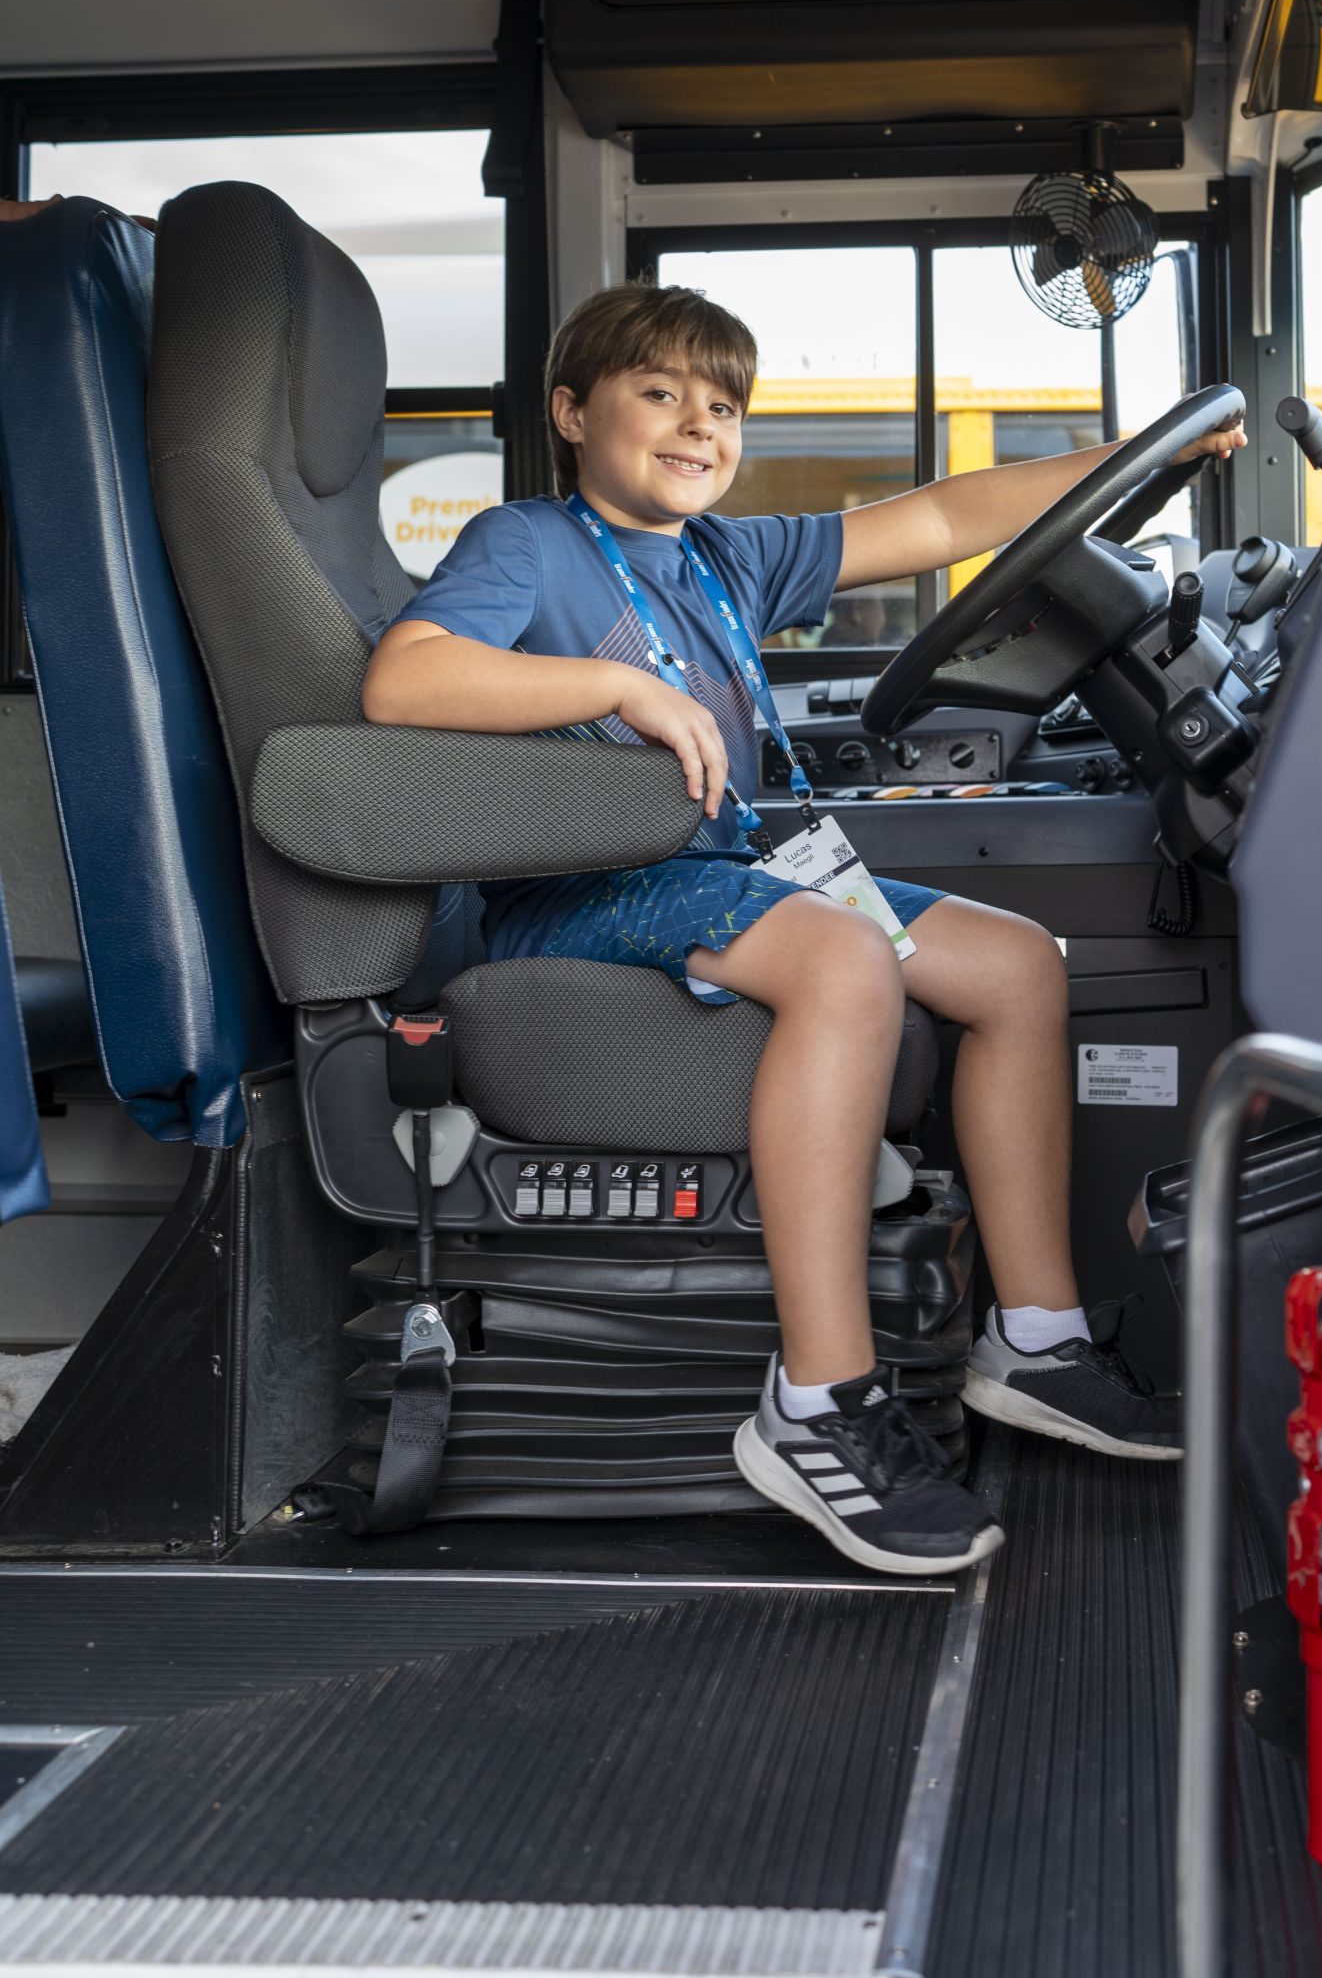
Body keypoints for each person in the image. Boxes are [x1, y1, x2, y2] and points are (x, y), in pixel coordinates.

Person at [364, 286, 1243, 1576]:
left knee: (1014, 965)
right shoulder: (527, 543)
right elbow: (404, 681)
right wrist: (616, 686)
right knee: (845, 956)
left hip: (722, 868)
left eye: (723, 406)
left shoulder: (729, 557)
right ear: (572, 412)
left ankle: (1036, 1342)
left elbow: (939, 519)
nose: (697, 425)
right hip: (590, 886)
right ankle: (818, 1401)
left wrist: (1135, 459)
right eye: (659, 393)